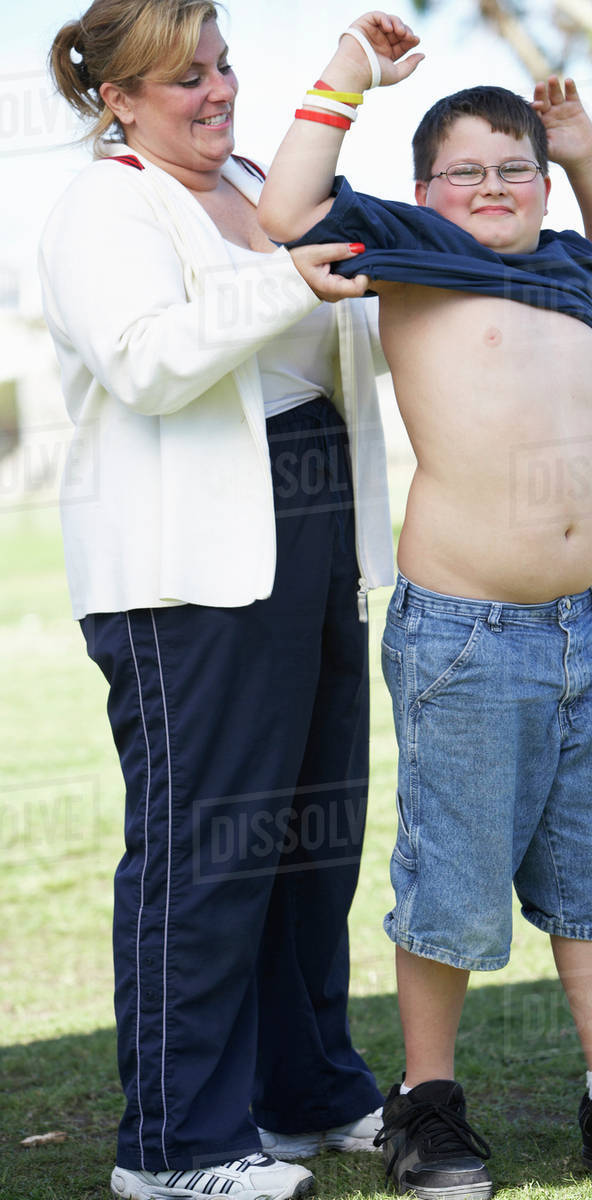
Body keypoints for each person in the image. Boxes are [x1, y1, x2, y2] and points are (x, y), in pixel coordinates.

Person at [258, 11, 592, 1195]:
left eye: (515, 168)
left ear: (543, 186)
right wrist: (345, 77)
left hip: (581, 629)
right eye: (465, 170)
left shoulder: (570, 274)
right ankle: (427, 1103)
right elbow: (285, 212)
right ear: (425, 189)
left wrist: (585, 149)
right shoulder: (410, 250)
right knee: (449, 884)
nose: (492, 186)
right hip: (464, 634)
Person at [38, 3, 398, 1198]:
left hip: (311, 540)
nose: (216, 93)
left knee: (309, 843)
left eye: (223, 66)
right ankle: (175, 1151)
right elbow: (145, 358)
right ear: (118, 100)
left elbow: (334, 340)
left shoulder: (255, 181)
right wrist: (288, 282)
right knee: (205, 856)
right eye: (182, 79)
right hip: (184, 572)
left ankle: (307, 1096)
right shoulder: (105, 204)